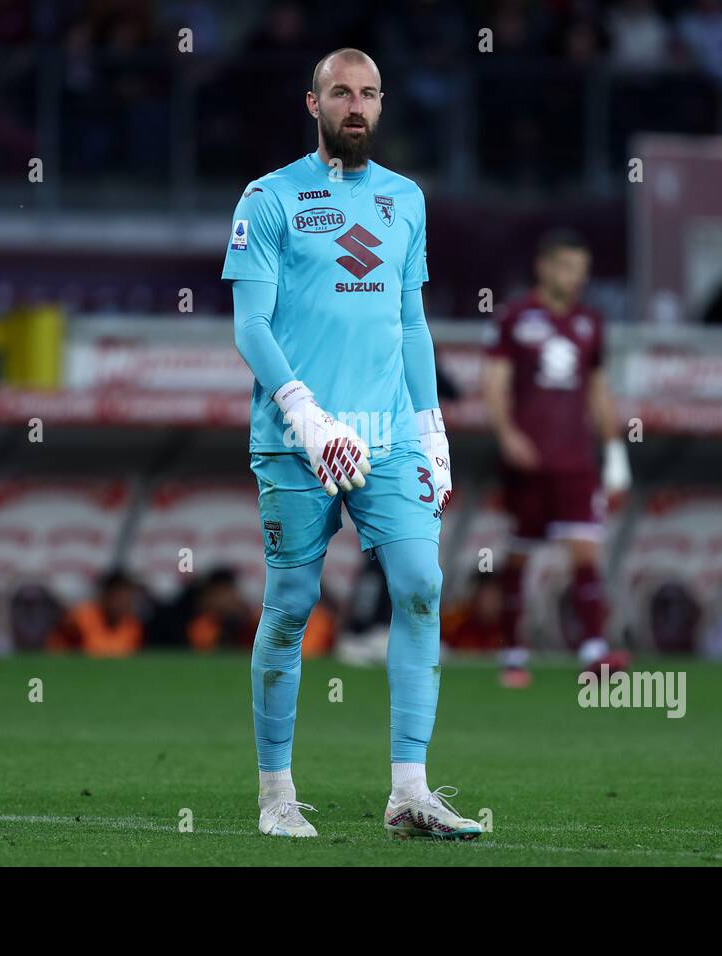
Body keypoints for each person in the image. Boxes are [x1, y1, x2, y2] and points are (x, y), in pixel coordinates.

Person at [221, 47, 481, 840]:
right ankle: (275, 796)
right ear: (314, 104)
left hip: (388, 434)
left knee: (421, 584)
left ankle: (409, 791)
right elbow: (250, 325)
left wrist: (430, 427)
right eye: (341, 93)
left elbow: (410, 321)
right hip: (297, 438)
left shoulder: (407, 200)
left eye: (369, 93)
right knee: (295, 603)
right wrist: (306, 415)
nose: (356, 105)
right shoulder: (270, 199)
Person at [480, 230, 632, 688]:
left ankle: (593, 650)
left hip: (576, 458)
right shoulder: (514, 317)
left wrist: (616, 454)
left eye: (582, 270)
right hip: (529, 459)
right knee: (521, 555)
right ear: (544, 267)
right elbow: (494, 380)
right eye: (567, 267)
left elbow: (599, 391)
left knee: (585, 548)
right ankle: (512, 652)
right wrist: (507, 434)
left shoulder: (591, 322)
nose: (576, 278)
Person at [48, 569, 146, 658]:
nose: (124, 603)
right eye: (119, 597)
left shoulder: (133, 626)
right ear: (106, 595)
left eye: (128, 598)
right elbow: (58, 651)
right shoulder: (81, 618)